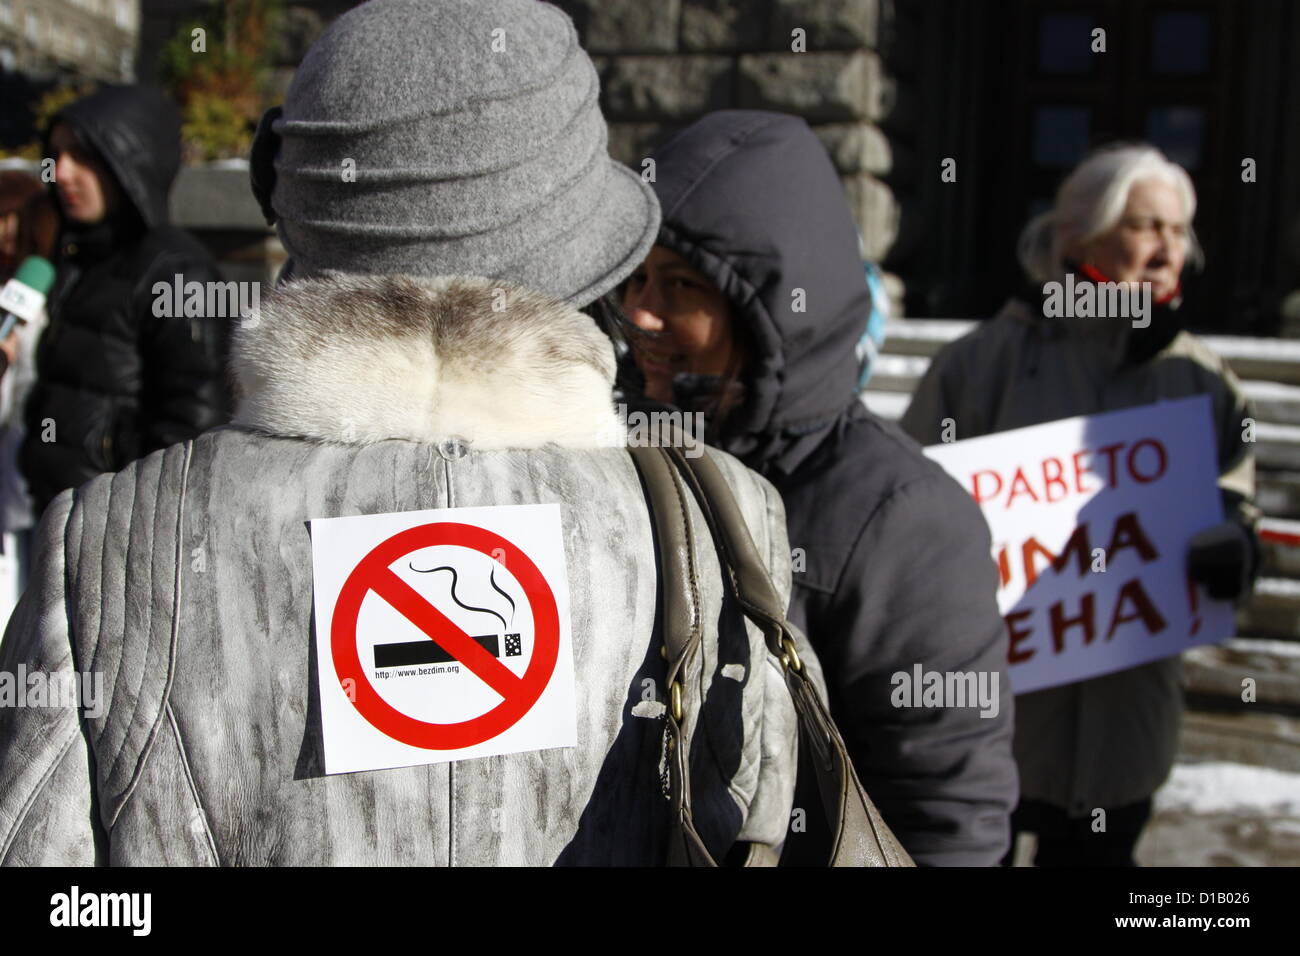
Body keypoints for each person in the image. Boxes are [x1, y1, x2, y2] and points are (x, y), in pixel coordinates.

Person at [0, 0, 809, 866]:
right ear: (585, 253)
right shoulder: (722, 520)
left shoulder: (107, 544)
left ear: (292, 198)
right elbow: (761, 824)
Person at [620, 110, 1018, 866]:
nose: (641, 312)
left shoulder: (904, 518)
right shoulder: (625, 458)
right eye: (637, 276)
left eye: (680, 284)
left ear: (768, 312)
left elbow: (948, 817)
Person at [900, 143, 1258, 866]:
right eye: (1146, 225)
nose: (1168, 248)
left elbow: (1237, 506)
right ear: (1078, 234)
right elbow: (903, 516)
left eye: (1180, 231)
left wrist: (1234, 554)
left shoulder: (1208, 383)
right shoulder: (977, 366)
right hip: (993, 722)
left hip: (1126, 724)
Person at [19, 85, 230, 520]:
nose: (61, 173)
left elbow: (194, 432)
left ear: (131, 161)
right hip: (51, 517)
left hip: (117, 539)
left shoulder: (180, 272)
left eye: (82, 156)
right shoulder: (79, 258)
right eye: (56, 155)